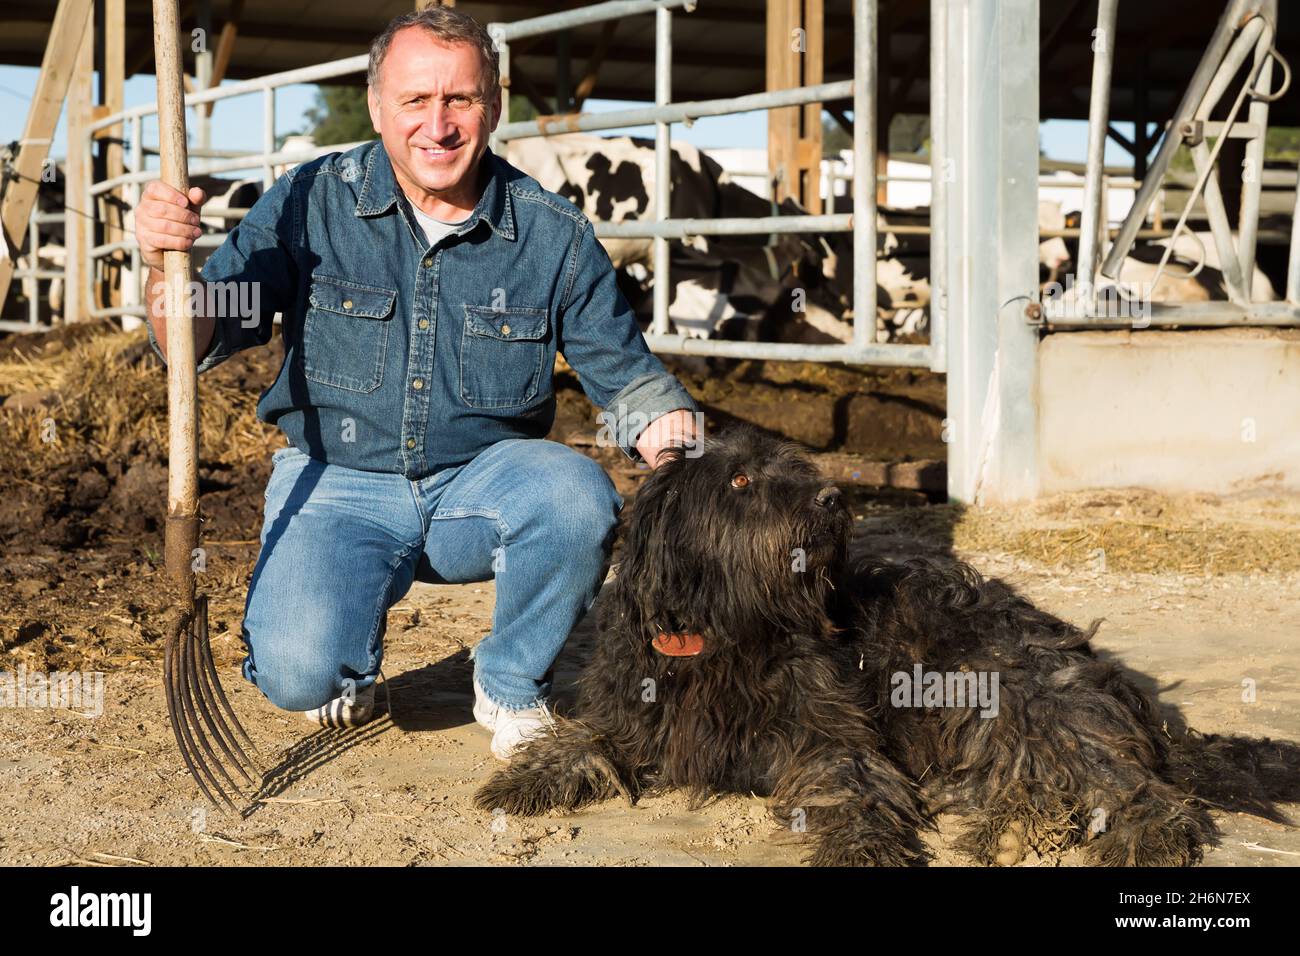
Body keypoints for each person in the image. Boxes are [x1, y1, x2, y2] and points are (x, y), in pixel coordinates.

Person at [135, 6, 700, 760]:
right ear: (377, 106)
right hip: (338, 480)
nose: (438, 125)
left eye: (460, 99)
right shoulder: (309, 203)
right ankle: (343, 656)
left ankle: (509, 686)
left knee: (573, 494)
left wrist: (686, 464)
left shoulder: (550, 232)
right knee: (300, 677)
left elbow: (629, 381)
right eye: (415, 100)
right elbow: (195, 338)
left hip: (481, 483)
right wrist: (160, 266)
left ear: (493, 106)